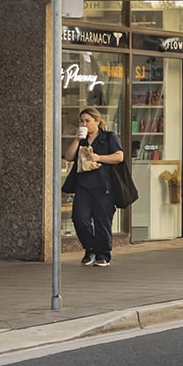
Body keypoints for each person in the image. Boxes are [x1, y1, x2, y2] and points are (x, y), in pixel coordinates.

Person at [63, 106, 125, 267]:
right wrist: (76, 139)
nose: (84, 124)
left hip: (103, 185)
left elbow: (119, 156)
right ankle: (90, 248)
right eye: (81, 121)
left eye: (87, 121)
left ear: (97, 121)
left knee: (102, 220)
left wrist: (99, 157)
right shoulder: (81, 139)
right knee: (79, 218)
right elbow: (69, 157)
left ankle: (103, 255)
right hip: (83, 185)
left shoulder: (109, 137)